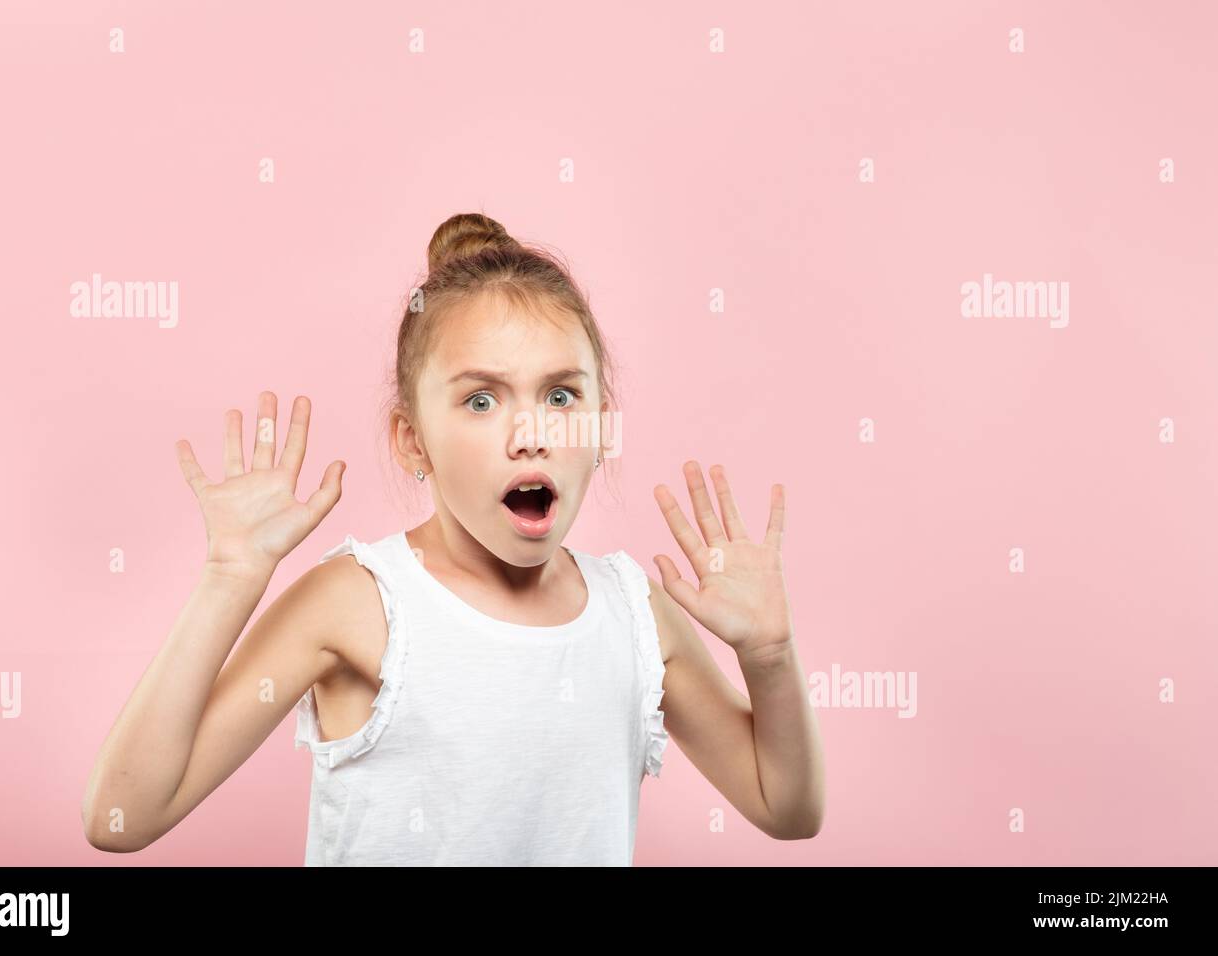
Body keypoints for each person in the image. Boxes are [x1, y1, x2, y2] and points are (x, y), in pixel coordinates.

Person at [81, 212, 825, 865]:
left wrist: (769, 657)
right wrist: (229, 575)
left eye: (561, 395)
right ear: (411, 439)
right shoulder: (358, 604)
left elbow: (786, 811)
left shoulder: (635, 617)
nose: (530, 433)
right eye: (479, 399)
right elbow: (124, 818)